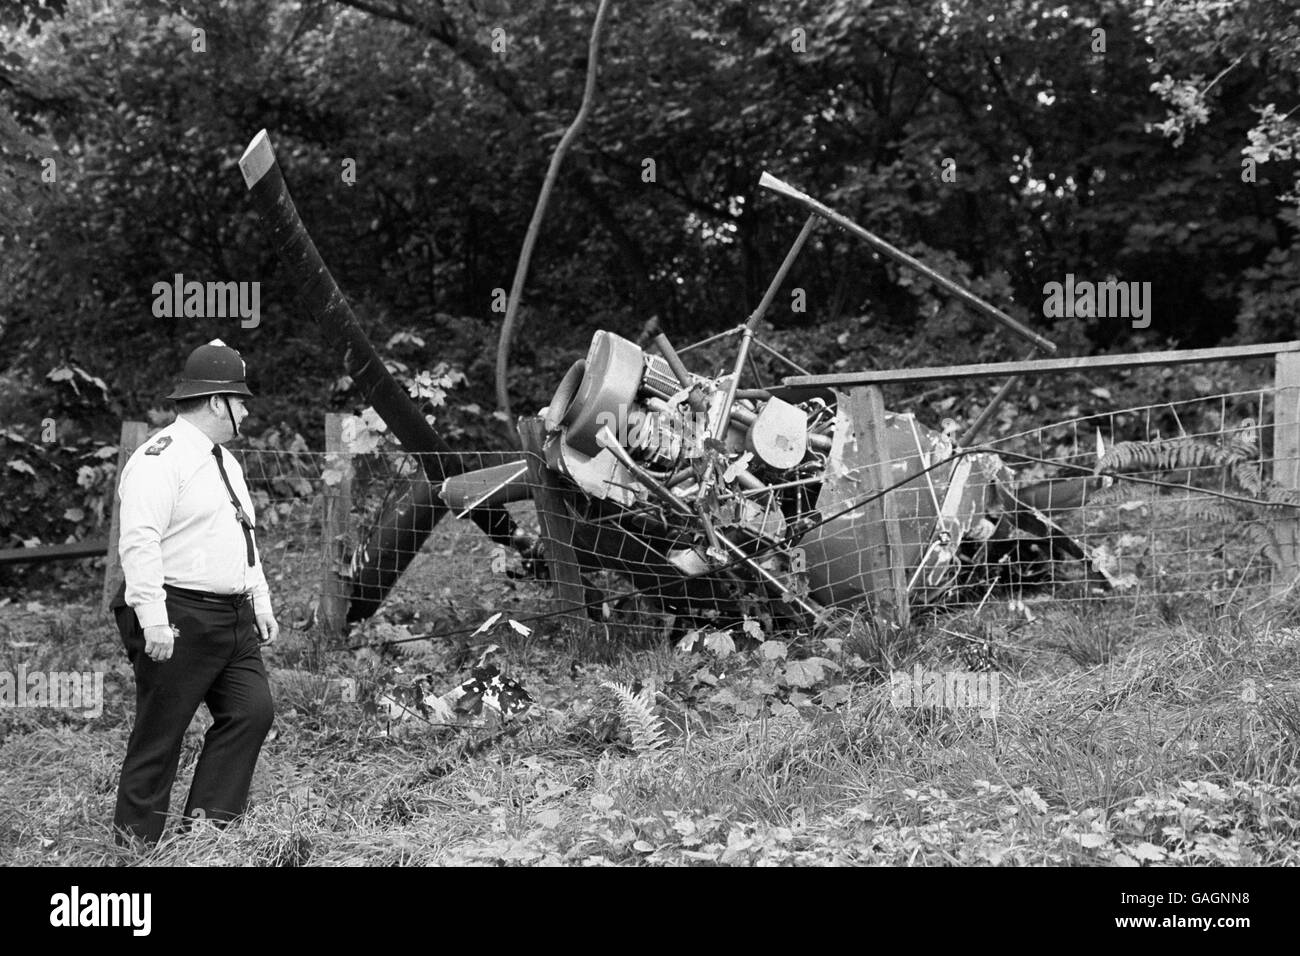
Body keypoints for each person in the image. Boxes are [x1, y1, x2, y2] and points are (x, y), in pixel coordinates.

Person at [110, 339, 278, 847]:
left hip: (232, 615)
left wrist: (260, 598)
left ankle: (208, 831)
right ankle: (136, 847)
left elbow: (242, 533)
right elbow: (138, 542)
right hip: (177, 613)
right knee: (161, 732)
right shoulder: (158, 459)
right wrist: (153, 619)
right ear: (216, 402)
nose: (246, 410)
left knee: (251, 711)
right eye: (240, 400)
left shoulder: (225, 461)